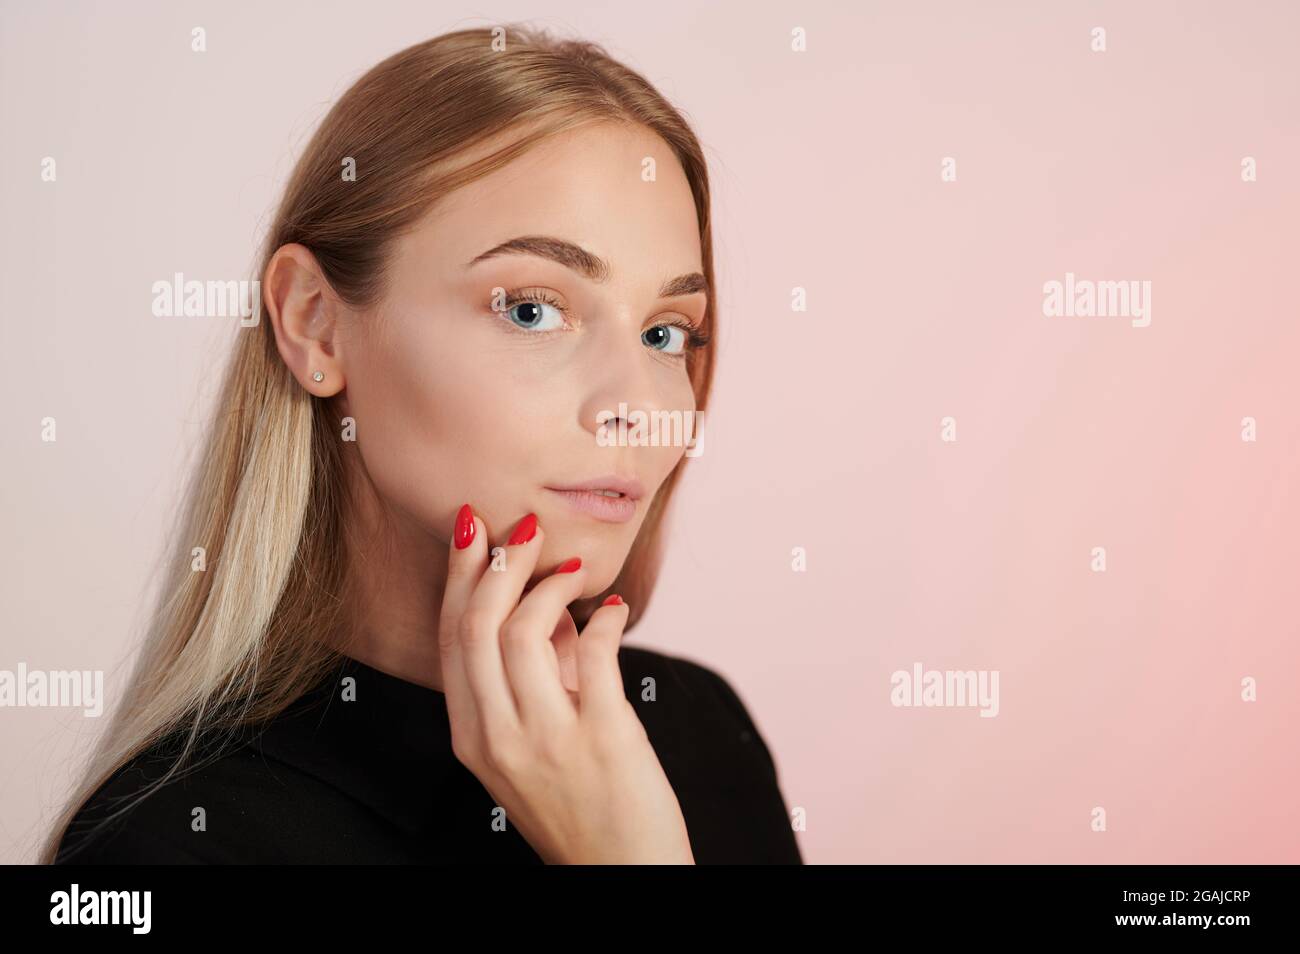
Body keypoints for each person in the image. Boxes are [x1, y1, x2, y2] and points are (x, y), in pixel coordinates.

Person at [43, 24, 802, 865]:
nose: (637, 406)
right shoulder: (170, 844)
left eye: (666, 333)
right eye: (531, 309)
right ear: (314, 323)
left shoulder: (704, 737)